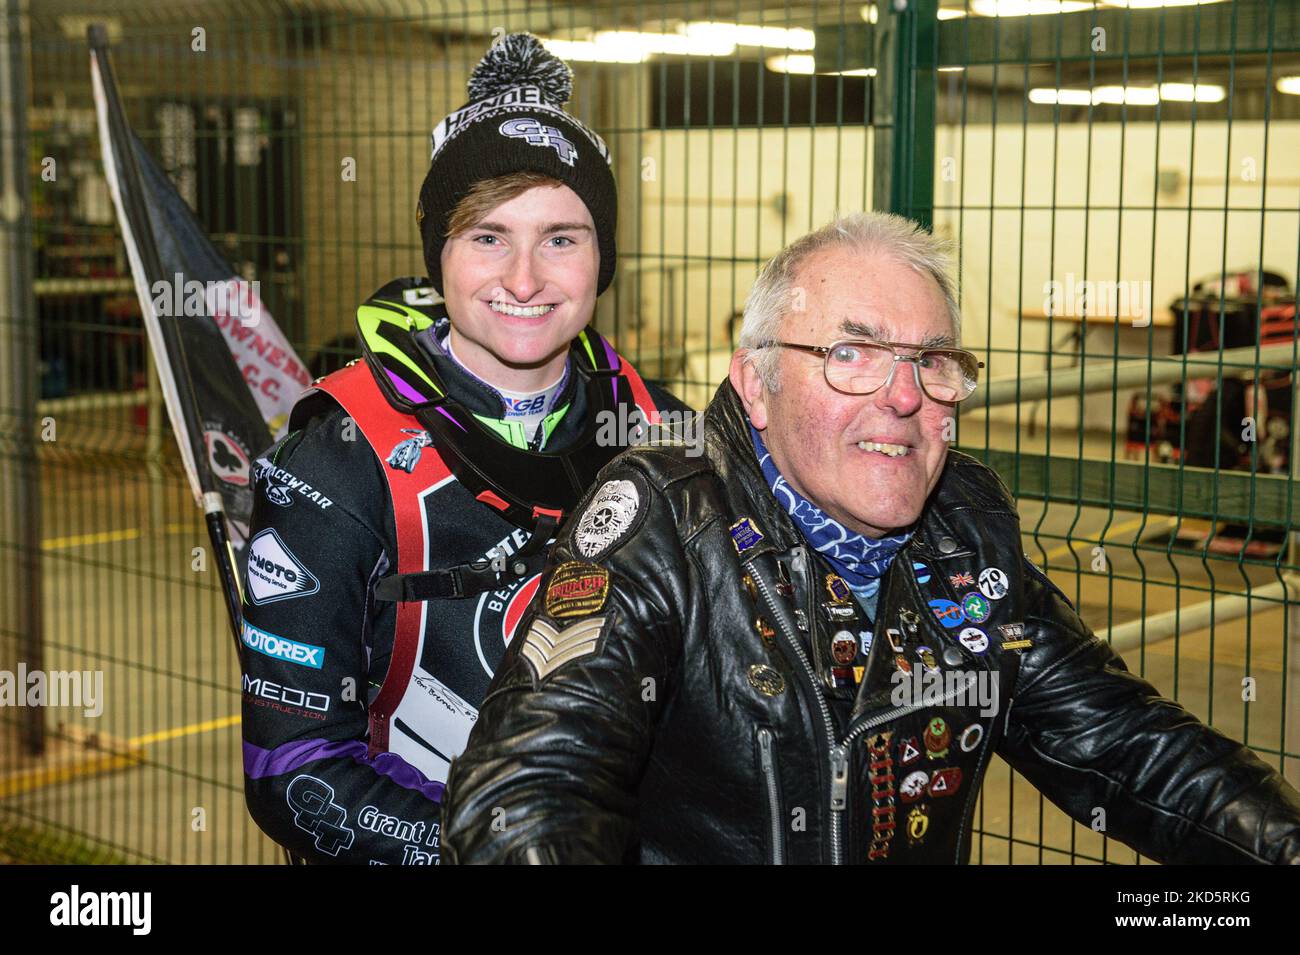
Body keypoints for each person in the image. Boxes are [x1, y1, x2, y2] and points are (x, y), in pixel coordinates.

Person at [440, 211, 1300, 864]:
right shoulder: (661, 521)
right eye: (853, 354)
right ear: (758, 386)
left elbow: (1128, 747)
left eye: (934, 361)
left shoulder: (965, 533)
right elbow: (527, 792)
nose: (903, 396)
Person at [239, 33, 691, 864]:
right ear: (438, 253)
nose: (524, 279)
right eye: (487, 236)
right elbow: (292, 770)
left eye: (562, 237)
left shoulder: (667, 438)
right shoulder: (337, 456)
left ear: (605, 258)